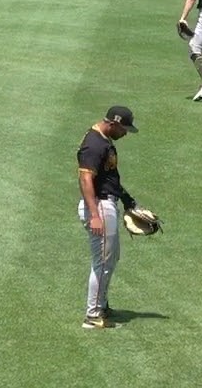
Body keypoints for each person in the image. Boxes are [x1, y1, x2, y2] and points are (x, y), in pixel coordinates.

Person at [76, 105, 142, 330]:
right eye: (124, 129)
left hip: (107, 203)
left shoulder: (104, 140)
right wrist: (94, 214)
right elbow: (86, 180)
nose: (125, 134)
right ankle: (93, 315)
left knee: (110, 260)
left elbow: (109, 177)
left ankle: (101, 305)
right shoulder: (94, 145)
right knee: (103, 262)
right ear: (113, 123)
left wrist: (127, 199)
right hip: (99, 206)